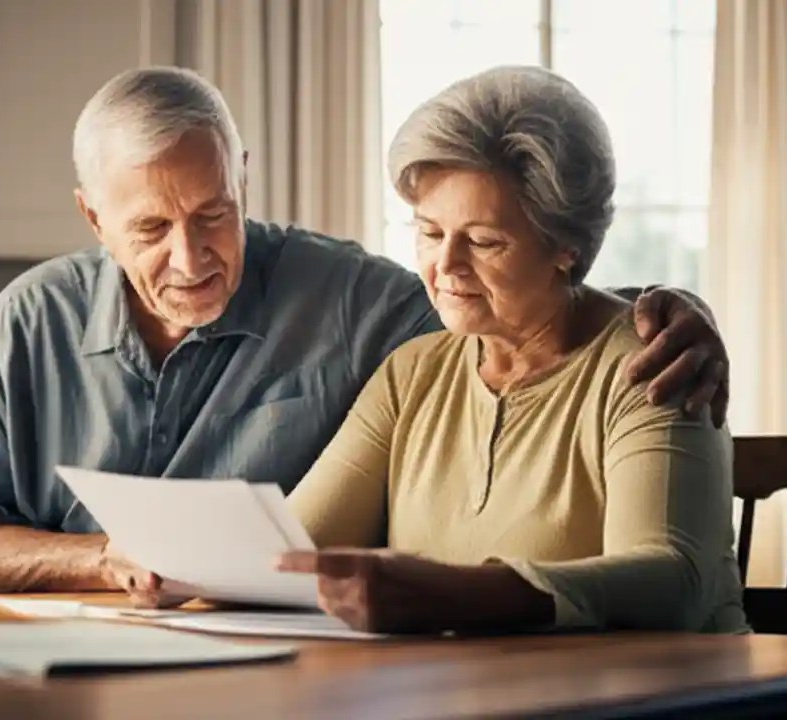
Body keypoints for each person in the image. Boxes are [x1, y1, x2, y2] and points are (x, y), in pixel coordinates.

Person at [0, 66, 732, 601]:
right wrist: (107, 558)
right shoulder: (29, 319)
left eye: (214, 215)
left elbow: (531, 321)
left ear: (244, 181)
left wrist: (666, 305)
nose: (189, 258)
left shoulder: (355, 305)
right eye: (151, 228)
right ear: (93, 218)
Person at [281, 66, 748, 634]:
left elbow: (674, 583)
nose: (445, 266)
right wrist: (159, 572)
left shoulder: (657, 358)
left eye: (483, 241)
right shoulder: (412, 372)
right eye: (430, 232)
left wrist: (456, 593)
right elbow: (288, 551)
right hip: (480, 699)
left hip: (668, 700)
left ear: (565, 247)